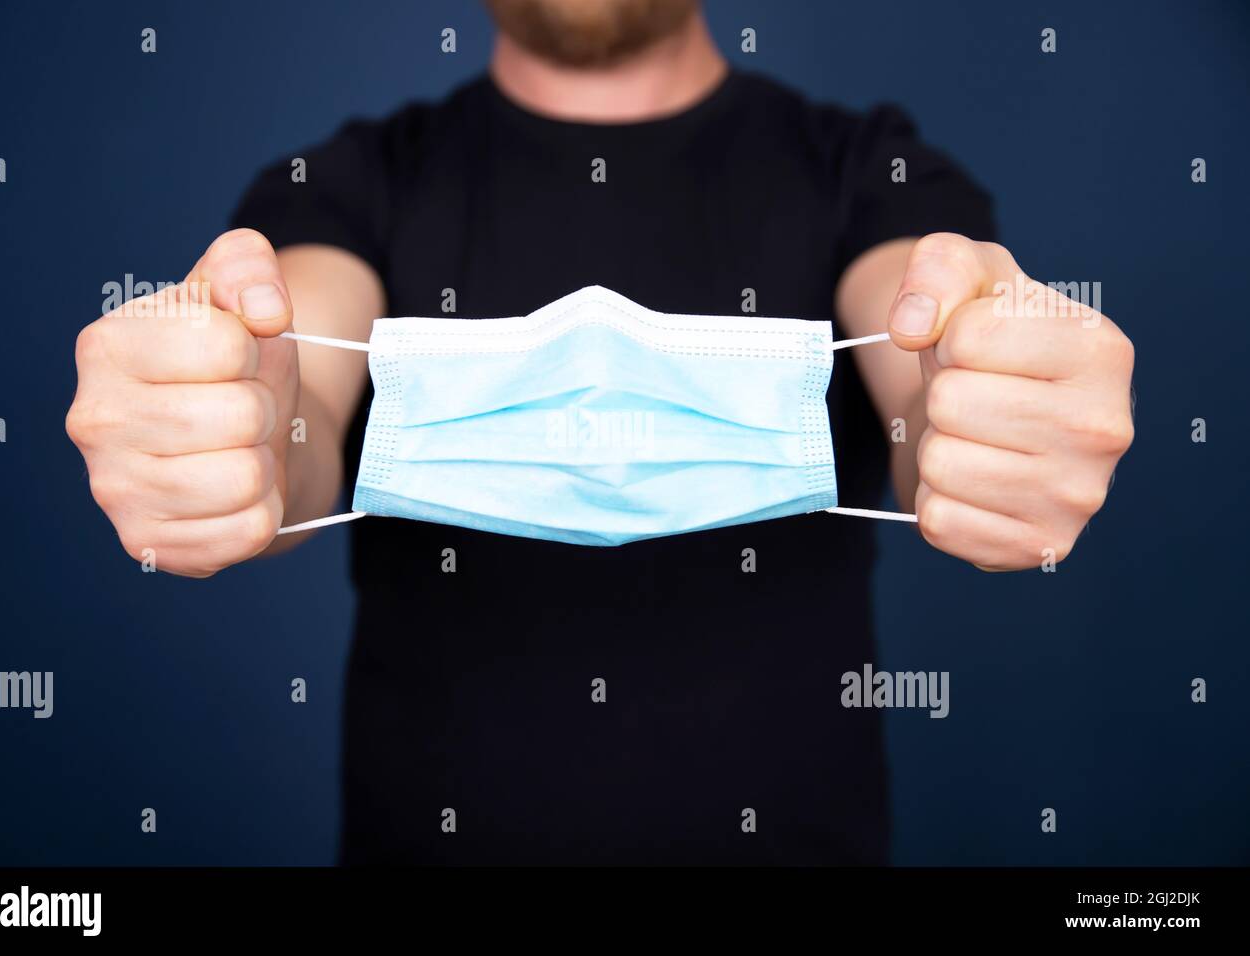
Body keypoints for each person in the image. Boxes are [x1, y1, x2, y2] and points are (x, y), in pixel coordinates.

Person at [64, 0, 1134, 864]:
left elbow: (924, 346)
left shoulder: (868, 171)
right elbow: (294, 395)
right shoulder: (347, 186)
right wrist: (228, 423)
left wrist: (987, 380)